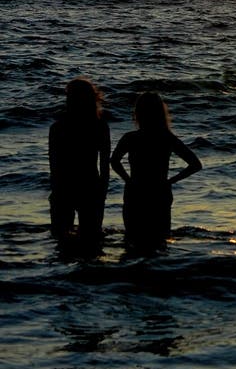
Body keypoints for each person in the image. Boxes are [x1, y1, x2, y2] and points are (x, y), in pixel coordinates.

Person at [110, 92, 202, 249]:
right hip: (159, 191)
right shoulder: (166, 137)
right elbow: (195, 164)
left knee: (132, 240)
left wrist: (128, 180)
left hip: (136, 191)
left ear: (138, 114)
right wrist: (170, 181)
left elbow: (114, 161)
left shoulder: (131, 138)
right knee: (160, 241)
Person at [49, 77, 110, 248]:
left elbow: (54, 165)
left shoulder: (58, 127)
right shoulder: (100, 126)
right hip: (90, 186)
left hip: (65, 187)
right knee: (93, 242)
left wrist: (55, 191)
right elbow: (105, 165)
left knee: (62, 242)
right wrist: (102, 191)